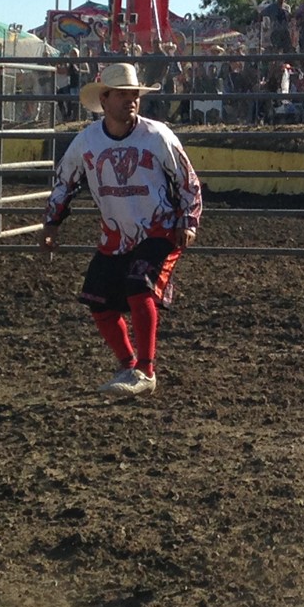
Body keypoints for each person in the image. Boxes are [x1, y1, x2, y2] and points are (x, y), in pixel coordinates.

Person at [41, 63, 202, 400]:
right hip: (116, 235)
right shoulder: (87, 141)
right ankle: (128, 364)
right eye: (123, 95)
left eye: (134, 95)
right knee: (98, 301)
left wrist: (188, 220)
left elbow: (187, 181)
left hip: (160, 228)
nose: (131, 101)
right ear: (105, 98)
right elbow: (64, 182)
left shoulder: (158, 136)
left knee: (138, 287)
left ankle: (145, 370)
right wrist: (52, 223)